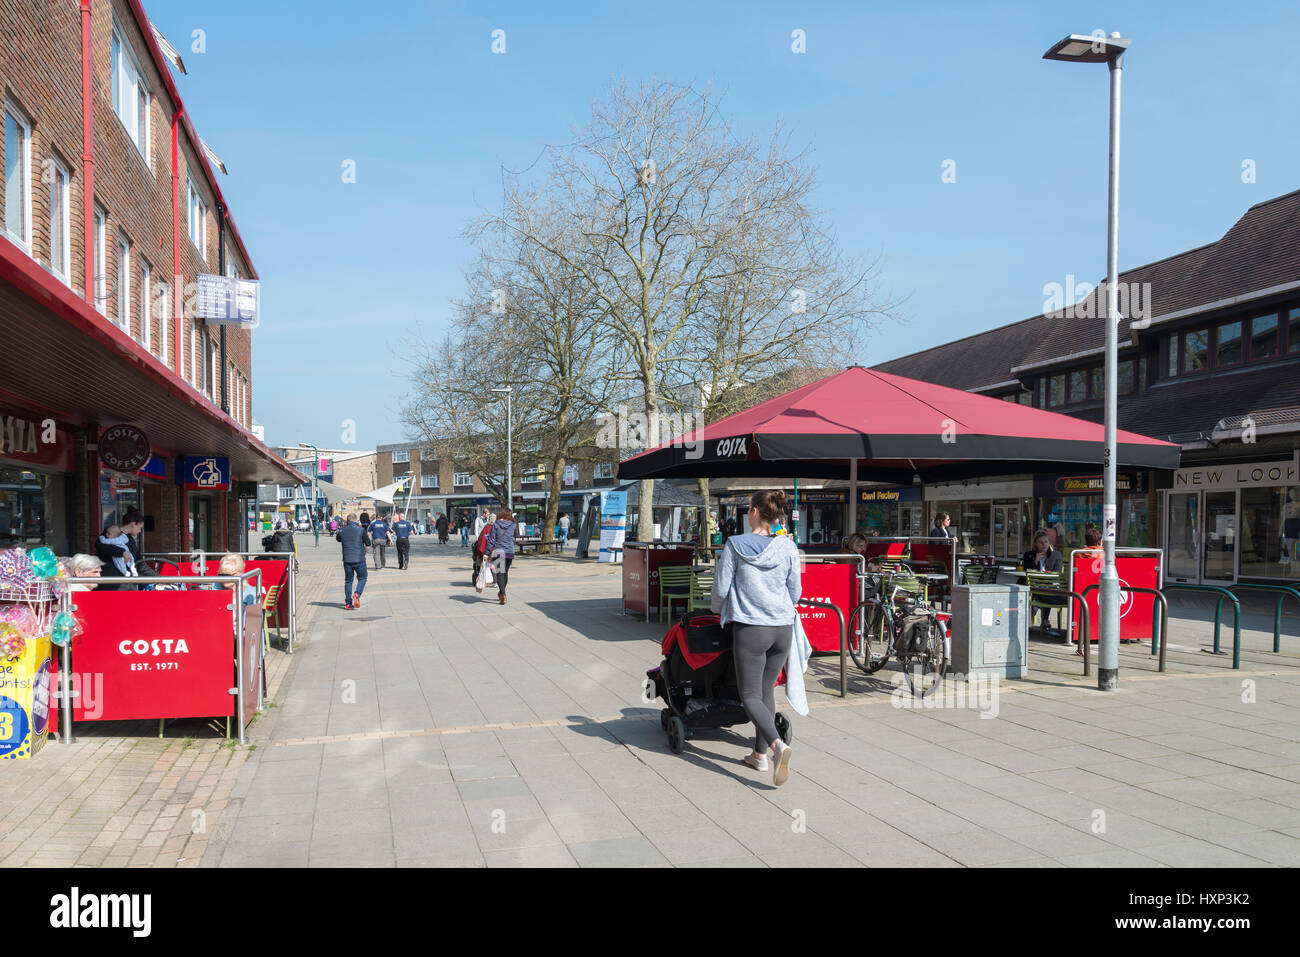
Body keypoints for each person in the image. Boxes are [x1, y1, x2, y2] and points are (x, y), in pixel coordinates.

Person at [711, 490, 800, 786]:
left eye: (748, 508)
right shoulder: (788, 547)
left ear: (754, 512)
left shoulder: (735, 544)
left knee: (749, 695)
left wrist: (715, 610)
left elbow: (722, 589)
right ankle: (759, 756)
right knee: (765, 693)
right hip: (783, 627)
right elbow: (795, 592)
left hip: (751, 627)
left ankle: (777, 747)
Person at [1022, 529, 1065, 630]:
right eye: (1040, 542)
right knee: (1044, 591)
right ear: (1035, 544)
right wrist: (1036, 561)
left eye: (1046, 542)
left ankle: (1037, 606)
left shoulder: (1056, 555)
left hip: (1050, 585)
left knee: (1046, 590)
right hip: (1034, 585)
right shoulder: (1029, 555)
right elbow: (1026, 570)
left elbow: (1057, 572)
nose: (1043, 544)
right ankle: (1045, 619)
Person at [484, 507, 518, 605]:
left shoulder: (496, 524)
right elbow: (515, 536)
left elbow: (491, 540)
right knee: (505, 573)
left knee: (499, 573)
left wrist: (486, 553)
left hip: (498, 551)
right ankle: (502, 593)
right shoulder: (513, 525)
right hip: (509, 552)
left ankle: (502, 594)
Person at [336, 513, 367, 610]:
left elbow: (338, 539)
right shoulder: (361, 530)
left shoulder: (342, 531)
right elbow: (368, 544)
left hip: (347, 560)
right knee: (362, 578)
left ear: (347, 521)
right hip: (359, 559)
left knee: (348, 580)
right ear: (356, 520)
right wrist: (363, 553)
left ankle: (348, 603)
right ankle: (357, 594)